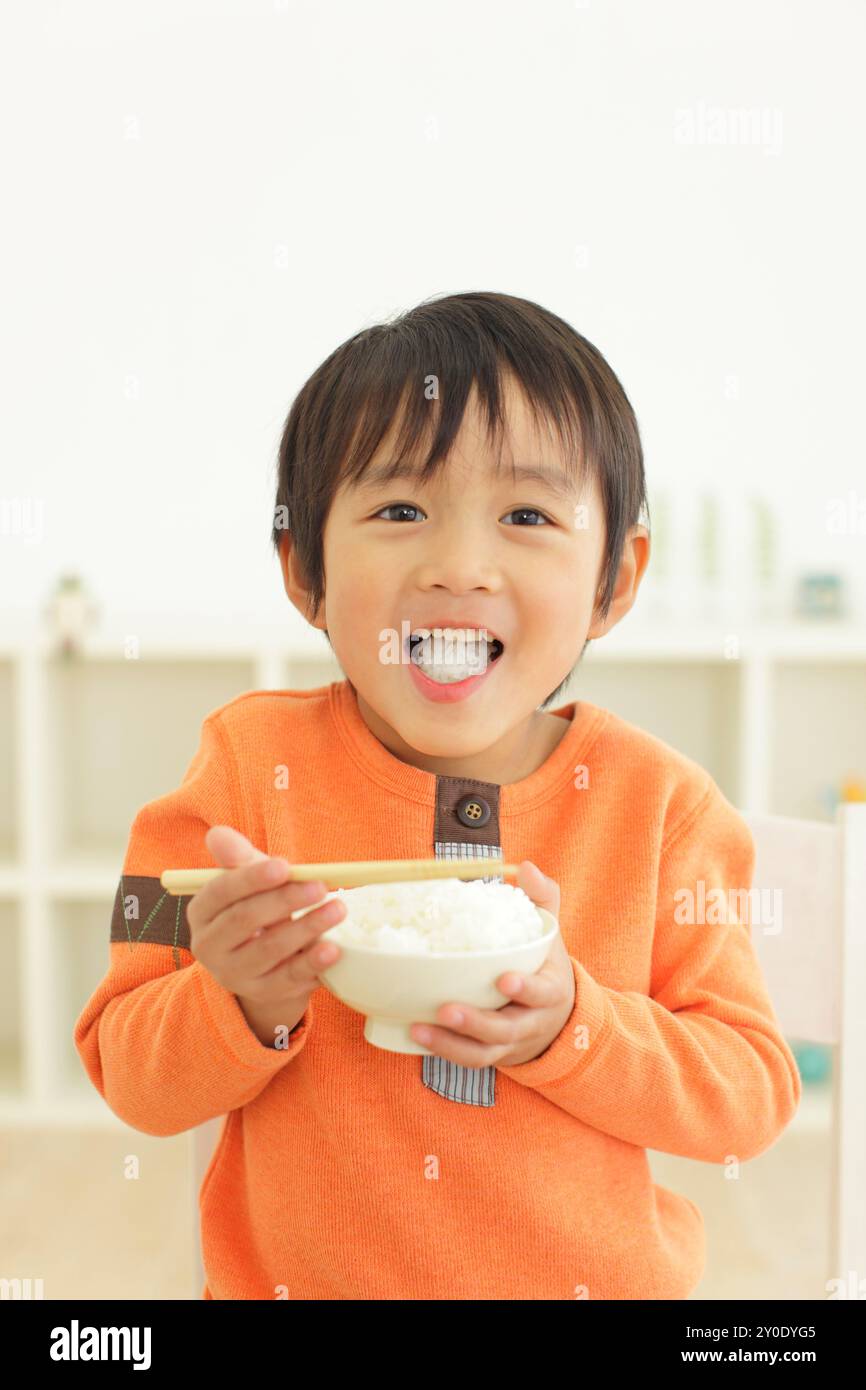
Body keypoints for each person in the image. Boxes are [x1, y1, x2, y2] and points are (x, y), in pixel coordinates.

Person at [74, 289, 801, 1299]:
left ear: (614, 579)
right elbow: (125, 1065)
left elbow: (748, 1094)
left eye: (527, 515)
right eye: (399, 510)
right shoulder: (238, 767)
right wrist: (235, 998)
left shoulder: (663, 808)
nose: (459, 565)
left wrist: (570, 1027)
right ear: (303, 566)